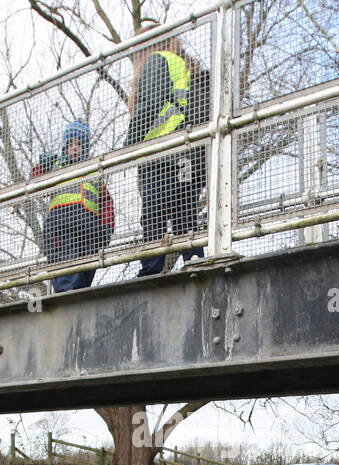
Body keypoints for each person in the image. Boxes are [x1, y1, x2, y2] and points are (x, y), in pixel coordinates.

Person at [125, 27, 211, 276]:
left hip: (160, 154)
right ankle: (195, 260)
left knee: (154, 212)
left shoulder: (157, 60)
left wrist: (128, 146)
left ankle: (150, 269)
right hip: (187, 155)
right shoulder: (185, 66)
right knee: (185, 211)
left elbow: (149, 105)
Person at [33, 120, 114, 291]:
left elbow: (106, 202)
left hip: (89, 225)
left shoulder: (94, 171)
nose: (75, 148)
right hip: (60, 221)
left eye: (79, 144)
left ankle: (79, 294)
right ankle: (68, 296)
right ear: (65, 146)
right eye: (71, 144)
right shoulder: (56, 167)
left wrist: (107, 227)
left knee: (87, 264)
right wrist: (42, 167)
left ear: (85, 147)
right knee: (63, 262)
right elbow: (37, 187)